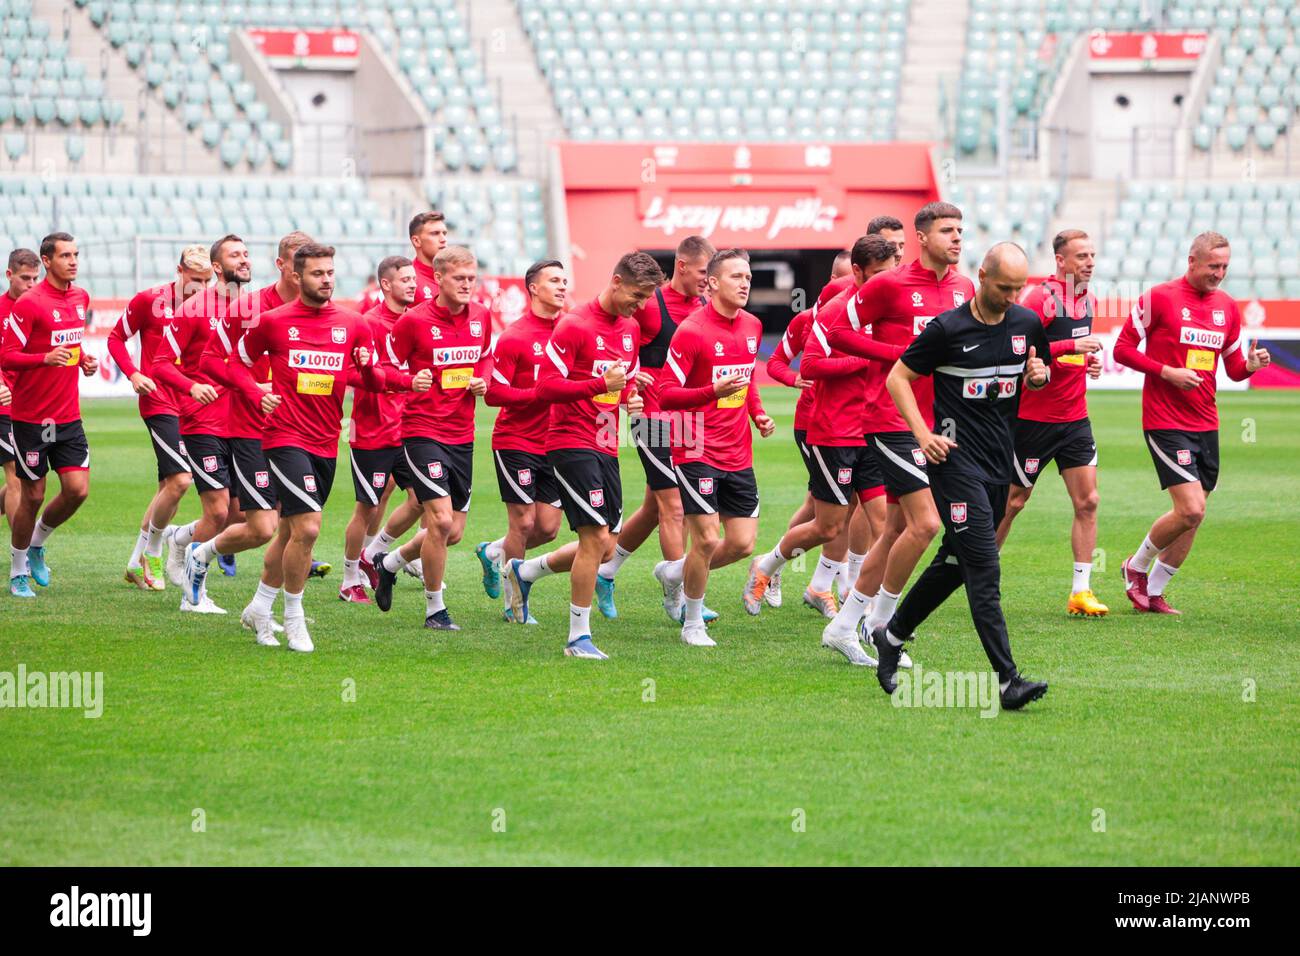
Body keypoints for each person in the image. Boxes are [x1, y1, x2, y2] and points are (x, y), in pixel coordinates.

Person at [871, 242, 1051, 711]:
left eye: (1019, 288)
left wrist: (1036, 375)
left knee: (954, 564)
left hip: (998, 463)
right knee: (985, 568)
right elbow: (897, 378)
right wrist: (922, 434)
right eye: (1004, 287)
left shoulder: (1027, 324)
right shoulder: (947, 329)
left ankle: (891, 634)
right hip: (953, 463)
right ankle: (1006, 680)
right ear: (983, 276)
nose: (1012, 297)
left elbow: (1038, 373)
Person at [810, 202, 975, 656]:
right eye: (947, 230)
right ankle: (882, 624)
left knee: (898, 527)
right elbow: (837, 334)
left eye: (961, 230)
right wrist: (900, 356)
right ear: (921, 238)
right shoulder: (890, 285)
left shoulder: (965, 288)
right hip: (890, 418)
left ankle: (845, 626)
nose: (957, 238)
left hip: (939, 422)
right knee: (926, 525)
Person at [209, 243, 380, 651]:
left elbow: (372, 381)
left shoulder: (354, 324)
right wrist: (254, 393)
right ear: (296, 277)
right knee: (309, 527)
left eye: (330, 272)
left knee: (288, 532)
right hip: (284, 436)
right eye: (317, 273)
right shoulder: (272, 322)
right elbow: (233, 362)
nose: (326, 279)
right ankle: (294, 617)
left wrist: (367, 365)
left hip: (326, 440)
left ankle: (259, 607)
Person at [746, 236, 896, 663]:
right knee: (827, 523)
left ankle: (864, 615)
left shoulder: (889, 309)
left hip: (873, 429)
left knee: (885, 523)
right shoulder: (830, 310)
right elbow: (804, 365)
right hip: (832, 430)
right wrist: (867, 360)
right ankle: (769, 565)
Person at [504, 252, 661, 658]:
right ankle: (578, 637)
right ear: (615, 280)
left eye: (646, 298)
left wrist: (630, 397)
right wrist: (597, 385)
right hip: (569, 441)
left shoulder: (629, 328)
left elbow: (618, 383)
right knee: (594, 539)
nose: (641, 306)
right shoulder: (574, 325)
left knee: (607, 544)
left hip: (605, 442)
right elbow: (546, 388)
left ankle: (524, 571)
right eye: (637, 295)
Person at [1113, 232, 1270, 614]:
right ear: (1192, 261)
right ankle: (1134, 567)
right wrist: (1167, 372)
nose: (1219, 273)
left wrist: (1249, 365)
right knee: (1191, 509)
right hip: (1165, 420)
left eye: (1225, 267)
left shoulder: (1228, 309)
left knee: (1195, 515)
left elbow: (1232, 369)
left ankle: (1153, 592)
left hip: (1206, 421)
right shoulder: (1159, 298)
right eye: (1213, 266)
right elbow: (1122, 349)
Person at [653, 249, 775, 647]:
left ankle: (674, 573)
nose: (745, 284)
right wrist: (710, 391)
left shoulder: (753, 326)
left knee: (742, 543)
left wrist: (757, 413)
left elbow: (747, 379)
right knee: (704, 539)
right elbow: (666, 393)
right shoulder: (691, 331)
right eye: (737, 276)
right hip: (694, 443)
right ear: (712, 283)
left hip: (738, 448)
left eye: (749, 277)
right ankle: (692, 622)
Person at [591, 235, 713, 621]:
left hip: (688, 417)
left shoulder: (704, 307)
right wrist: (631, 390)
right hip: (652, 417)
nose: (707, 281)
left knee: (654, 506)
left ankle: (606, 572)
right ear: (682, 266)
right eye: (703, 272)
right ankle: (677, 598)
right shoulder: (651, 305)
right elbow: (619, 348)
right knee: (674, 508)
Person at [371, 246, 492, 631]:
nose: (467, 285)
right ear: (438, 278)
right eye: (460, 278)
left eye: (472, 278)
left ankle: (389, 562)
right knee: (438, 522)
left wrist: (483, 377)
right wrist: (408, 380)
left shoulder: (482, 317)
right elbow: (381, 368)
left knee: (453, 531)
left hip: (463, 434)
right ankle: (435, 610)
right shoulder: (413, 322)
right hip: (422, 432)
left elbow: (486, 355)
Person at [995, 229, 1107, 616]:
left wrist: (1087, 361)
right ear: (1060, 261)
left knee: (1088, 501)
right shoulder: (1040, 298)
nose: (1090, 262)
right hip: (1032, 419)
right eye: (1082, 257)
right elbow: (1016, 346)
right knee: (1013, 501)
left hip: (1074, 418)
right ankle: (979, 573)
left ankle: (1081, 590)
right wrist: (1069, 347)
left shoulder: (1087, 300)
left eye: (1092, 255)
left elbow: (1070, 352)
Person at [150, 234, 251, 613]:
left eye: (245, 253)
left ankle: (180, 538)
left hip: (244, 422)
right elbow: (161, 364)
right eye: (234, 255)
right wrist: (192, 387)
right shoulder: (194, 309)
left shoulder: (253, 309)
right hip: (202, 421)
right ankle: (195, 595)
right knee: (218, 511)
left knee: (243, 515)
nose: (243, 259)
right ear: (216, 266)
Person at [107, 245, 211, 591]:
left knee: (168, 488)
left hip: (194, 404)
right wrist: (134, 374)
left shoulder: (211, 308)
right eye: (194, 279)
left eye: (206, 281)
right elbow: (116, 338)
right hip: (158, 399)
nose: (200, 287)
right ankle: (153, 551)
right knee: (181, 481)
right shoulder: (149, 301)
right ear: (179, 271)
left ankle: (134, 563)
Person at [1, 233, 96, 598]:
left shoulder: (80, 297)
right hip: (31, 418)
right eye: (65, 256)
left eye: (76, 254)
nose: (73, 261)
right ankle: (17, 569)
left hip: (68, 415)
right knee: (33, 495)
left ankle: (38, 543)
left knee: (77, 490)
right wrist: (44, 358)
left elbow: (70, 343)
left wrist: (82, 358)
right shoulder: (30, 303)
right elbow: (8, 356)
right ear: (46, 261)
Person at [474, 259, 568, 622]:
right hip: (517, 441)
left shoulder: (570, 332)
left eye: (564, 280)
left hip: (557, 443)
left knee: (548, 528)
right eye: (553, 281)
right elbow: (494, 393)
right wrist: (539, 395)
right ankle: (515, 606)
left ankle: (494, 551)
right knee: (524, 524)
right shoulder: (516, 336)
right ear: (533, 289)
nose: (561, 286)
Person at [339, 256, 428, 603]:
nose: (412, 284)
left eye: (413, 279)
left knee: (422, 499)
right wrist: (383, 379)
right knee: (368, 507)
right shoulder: (367, 324)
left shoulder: (416, 321)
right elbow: (347, 373)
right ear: (386, 284)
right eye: (404, 279)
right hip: (373, 429)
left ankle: (373, 553)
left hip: (409, 428)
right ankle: (349, 578)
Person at [0, 249, 40, 537]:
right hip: (3, 404)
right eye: (25, 278)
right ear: (9, 275)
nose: (30, 284)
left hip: (31, 406)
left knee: (29, 479)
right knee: (16, 476)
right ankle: (22, 555)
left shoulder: (37, 307)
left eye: (35, 278)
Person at [408, 211, 450, 304]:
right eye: (435, 233)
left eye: (444, 233)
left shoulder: (454, 278)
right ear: (416, 241)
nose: (443, 239)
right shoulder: (405, 280)